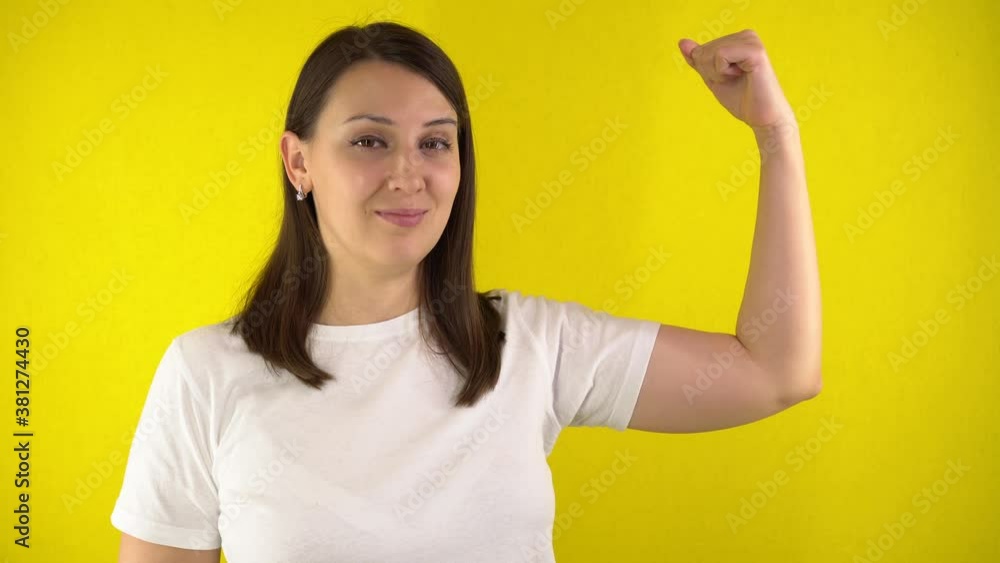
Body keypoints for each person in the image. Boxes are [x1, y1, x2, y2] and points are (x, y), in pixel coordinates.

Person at [112, 20, 822, 563]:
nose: (408, 173)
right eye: (369, 141)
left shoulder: (531, 344)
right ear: (299, 161)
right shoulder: (204, 373)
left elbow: (777, 372)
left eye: (436, 142)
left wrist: (775, 135)